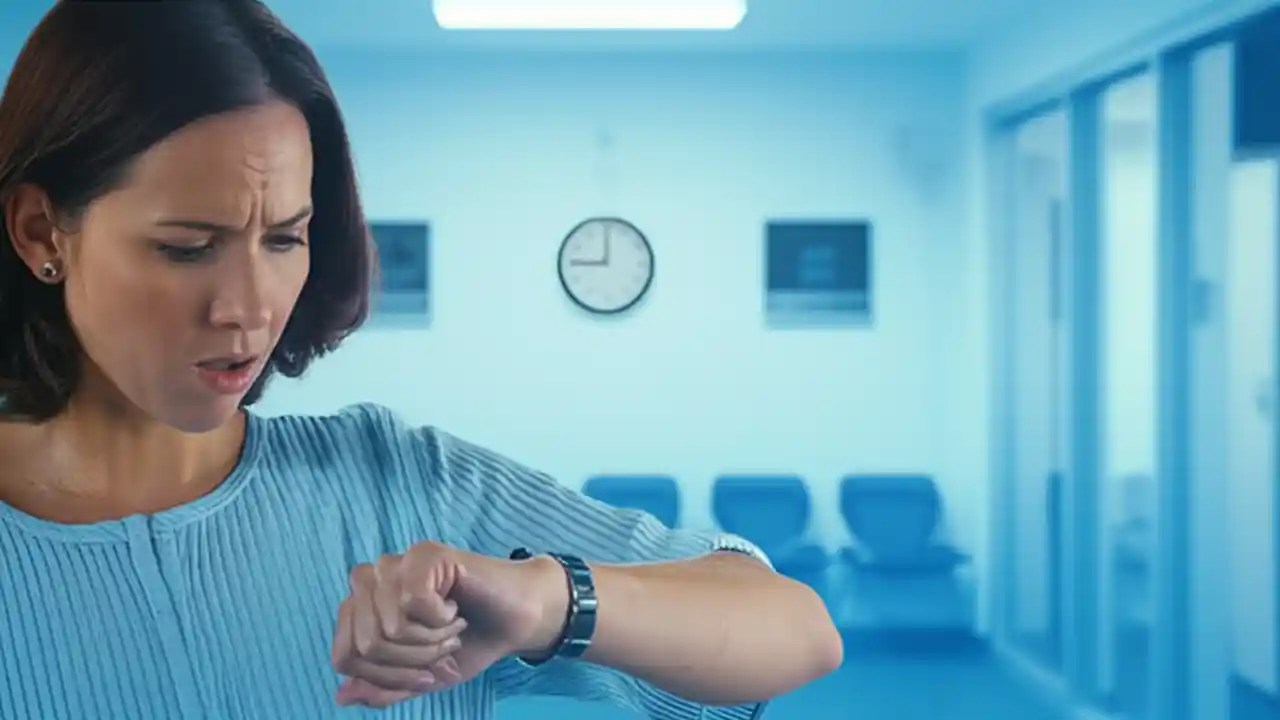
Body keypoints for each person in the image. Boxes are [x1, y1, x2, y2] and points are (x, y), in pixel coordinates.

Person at [0, 1, 843, 718]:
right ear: (42, 234)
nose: (250, 308)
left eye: (285, 239)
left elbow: (796, 630)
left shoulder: (401, 487)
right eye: (187, 247)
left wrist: (548, 600)